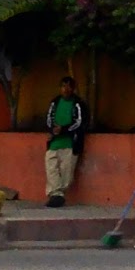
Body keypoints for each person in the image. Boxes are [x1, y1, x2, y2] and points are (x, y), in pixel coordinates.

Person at [44, 75, 86, 207]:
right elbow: (48, 119)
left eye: (69, 86)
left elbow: (79, 123)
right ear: (60, 88)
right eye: (63, 86)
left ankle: (57, 195)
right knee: (51, 167)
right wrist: (52, 131)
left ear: (73, 89)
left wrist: (63, 130)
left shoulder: (78, 104)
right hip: (54, 142)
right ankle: (56, 194)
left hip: (70, 143)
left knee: (66, 173)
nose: (66, 89)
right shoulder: (55, 102)